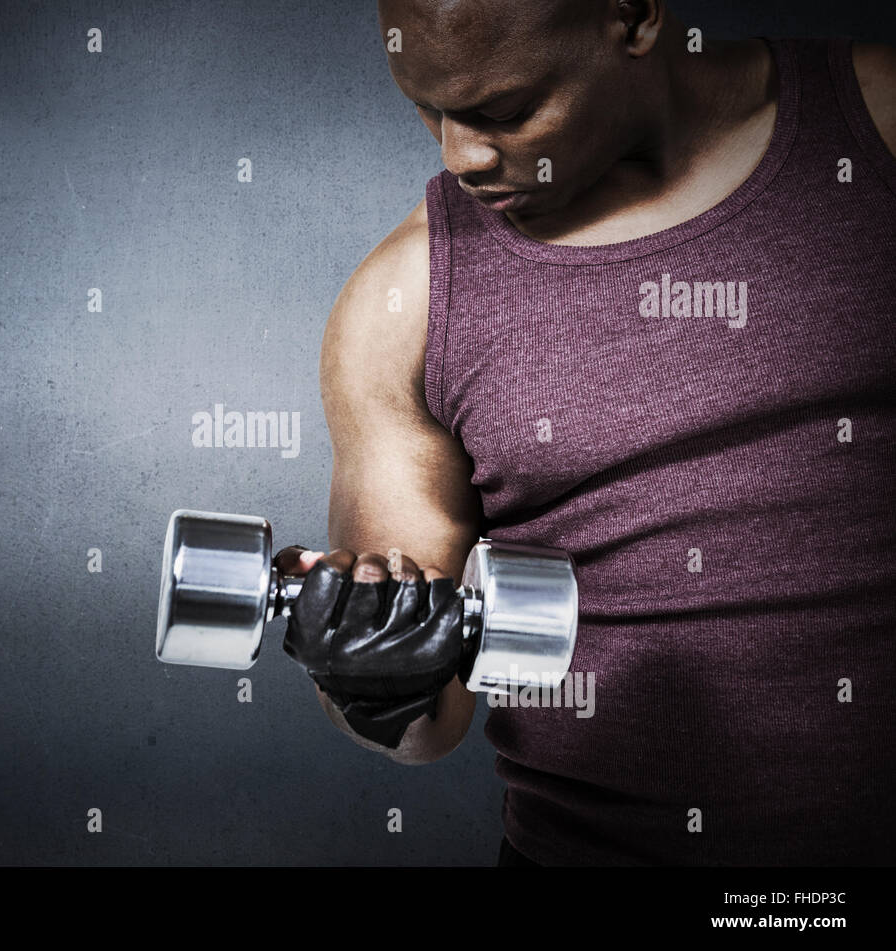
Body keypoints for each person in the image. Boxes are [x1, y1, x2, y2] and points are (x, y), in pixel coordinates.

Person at [277, 0, 896, 865]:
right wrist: (374, 678)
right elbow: (425, 729)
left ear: (635, 17)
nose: (460, 155)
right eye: (429, 108)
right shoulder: (402, 302)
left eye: (504, 111)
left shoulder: (878, 124)